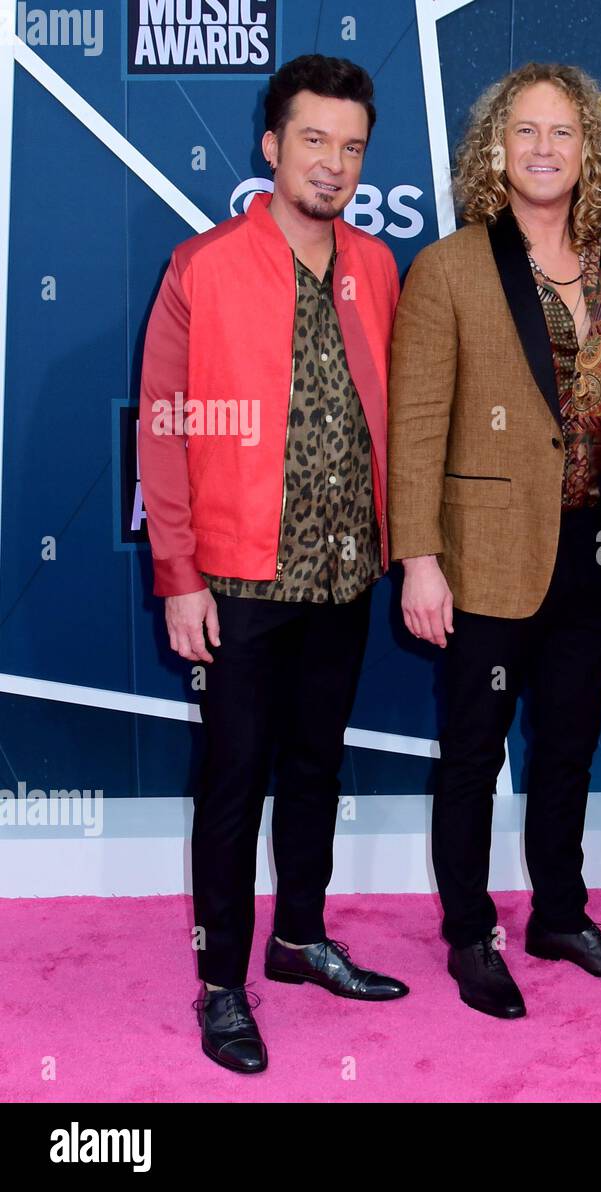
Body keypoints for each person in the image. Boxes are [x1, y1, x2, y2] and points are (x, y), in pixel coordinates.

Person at [139, 54, 407, 1075]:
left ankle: (299, 940)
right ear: (270, 146)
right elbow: (163, 430)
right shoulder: (201, 265)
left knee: (317, 770)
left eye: (350, 148)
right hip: (238, 581)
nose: (332, 164)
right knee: (231, 782)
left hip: (344, 579)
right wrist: (179, 574)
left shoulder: (376, 267)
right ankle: (221, 985)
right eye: (313, 141)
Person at [388, 62, 601, 1020]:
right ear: (495, 151)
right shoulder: (451, 266)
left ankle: (560, 914)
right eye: (526, 132)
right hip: (485, 558)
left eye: (563, 132)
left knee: (570, 749)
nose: (545, 149)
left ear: (590, 151)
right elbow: (416, 425)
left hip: (591, 553)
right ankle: (470, 934)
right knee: (473, 752)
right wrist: (419, 558)